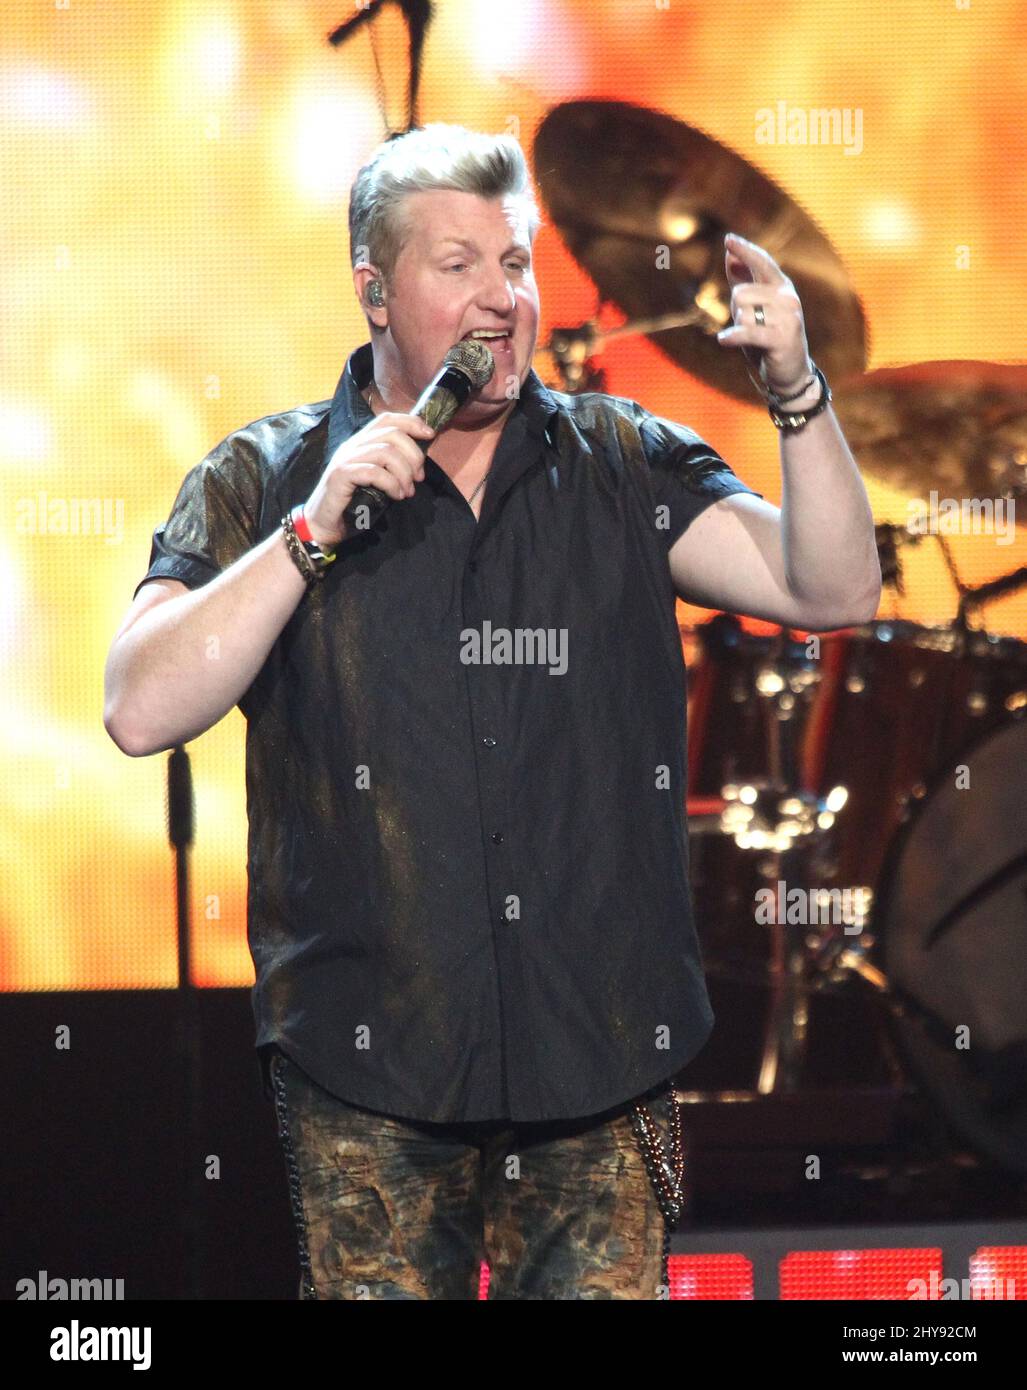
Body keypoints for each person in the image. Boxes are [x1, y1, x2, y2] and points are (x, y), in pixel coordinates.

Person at [103, 123, 881, 1300]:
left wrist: (796, 390)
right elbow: (138, 706)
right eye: (457, 264)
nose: (501, 298)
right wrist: (307, 536)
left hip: (600, 1061)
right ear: (373, 290)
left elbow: (833, 587)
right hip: (368, 1071)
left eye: (513, 264)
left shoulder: (621, 464)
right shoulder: (264, 477)